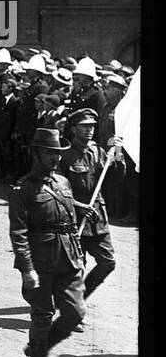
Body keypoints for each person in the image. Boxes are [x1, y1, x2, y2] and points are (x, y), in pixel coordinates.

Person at [8, 128, 85, 357]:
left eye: (58, 153)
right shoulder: (22, 189)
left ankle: (39, 347)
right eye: (49, 153)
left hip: (69, 260)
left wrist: (80, 254)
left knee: (76, 313)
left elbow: (72, 222)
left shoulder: (64, 182)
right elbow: (18, 234)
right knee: (42, 317)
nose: (55, 158)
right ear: (36, 153)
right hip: (41, 263)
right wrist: (27, 269)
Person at [61, 107, 123, 328]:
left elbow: (116, 179)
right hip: (74, 218)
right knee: (77, 266)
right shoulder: (64, 154)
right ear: (74, 128)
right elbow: (57, 190)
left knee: (108, 262)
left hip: (97, 218)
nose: (89, 131)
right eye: (84, 126)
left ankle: (78, 301)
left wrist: (117, 156)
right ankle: (73, 311)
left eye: (92, 127)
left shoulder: (98, 151)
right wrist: (78, 206)